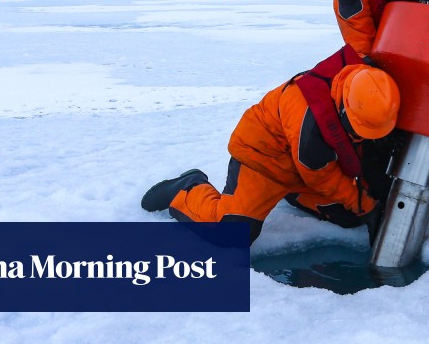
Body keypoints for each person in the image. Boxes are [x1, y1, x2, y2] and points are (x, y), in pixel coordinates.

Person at [140, 47, 401, 244]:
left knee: (349, 217)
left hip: (303, 167)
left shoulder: (370, 88)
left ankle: (292, 193)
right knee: (233, 233)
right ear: (345, 109)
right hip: (264, 161)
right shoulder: (309, 120)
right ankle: (188, 187)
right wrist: (367, 206)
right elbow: (321, 174)